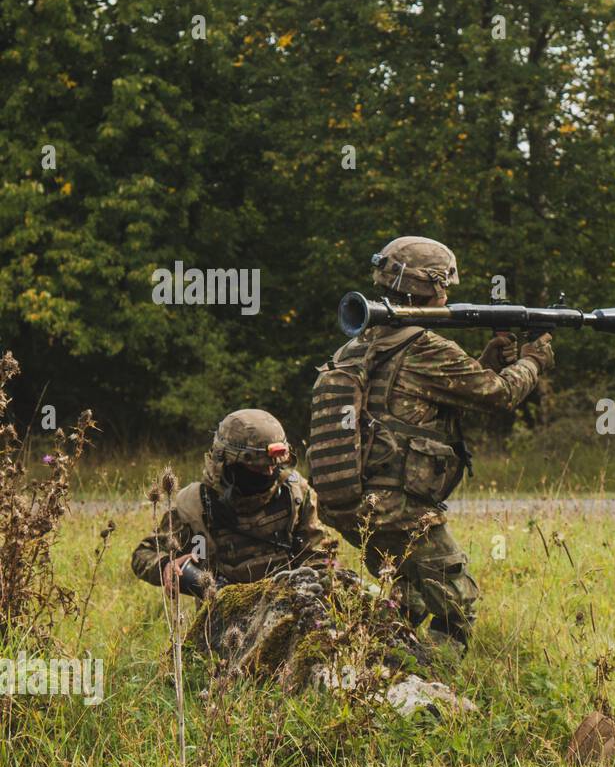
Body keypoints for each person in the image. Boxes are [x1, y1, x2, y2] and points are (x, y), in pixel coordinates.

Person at [309, 236, 554, 654]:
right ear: (433, 286)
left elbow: (416, 405)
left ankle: (377, 669)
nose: (448, 295)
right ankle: (434, 683)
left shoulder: (358, 345)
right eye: (445, 287)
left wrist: (486, 361)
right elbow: (499, 395)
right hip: (398, 507)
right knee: (457, 605)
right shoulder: (424, 347)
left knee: (406, 598)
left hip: (353, 505)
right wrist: (533, 359)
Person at [131, 409, 333, 598]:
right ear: (227, 463)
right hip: (224, 612)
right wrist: (166, 566)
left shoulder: (295, 493)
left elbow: (318, 556)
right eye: (258, 467)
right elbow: (143, 554)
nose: (269, 473)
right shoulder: (194, 505)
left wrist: (322, 584)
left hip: (289, 606)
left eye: (274, 466)